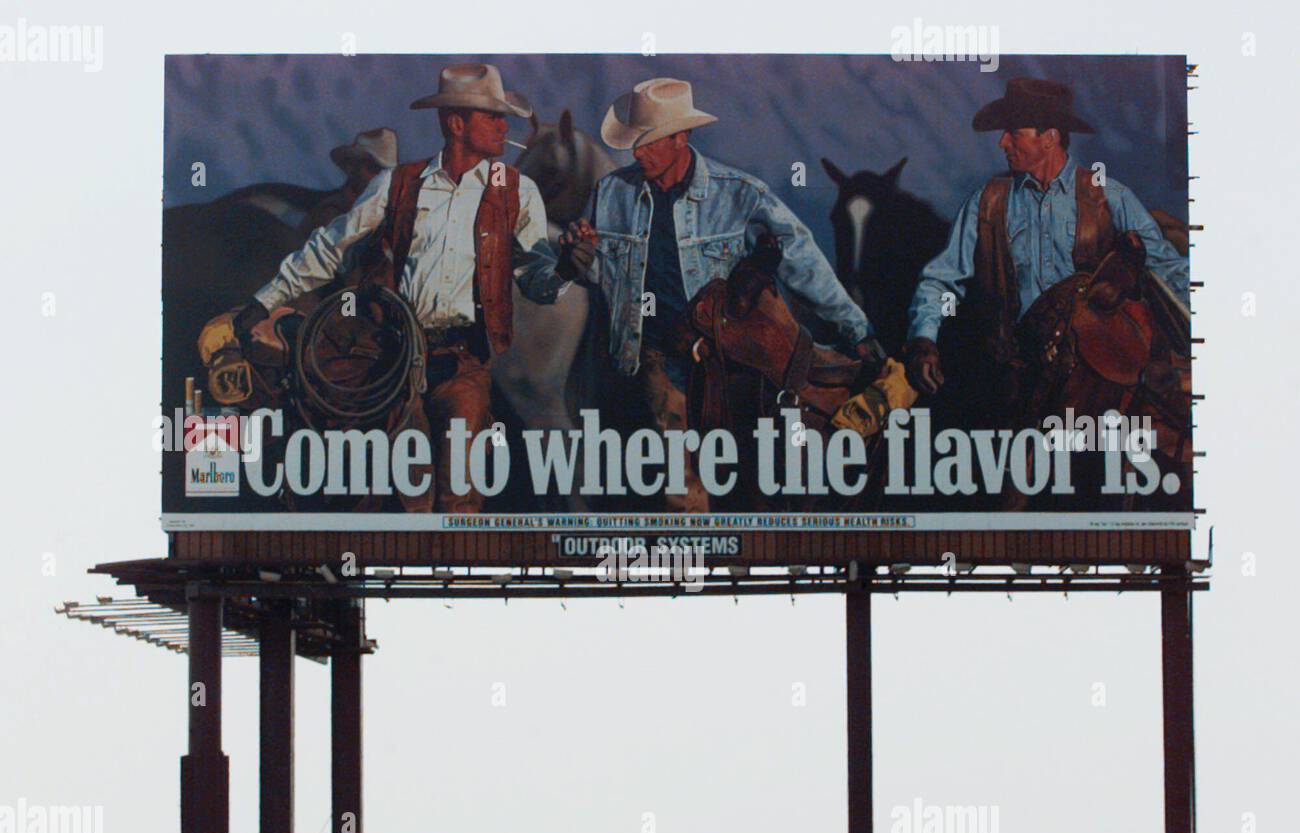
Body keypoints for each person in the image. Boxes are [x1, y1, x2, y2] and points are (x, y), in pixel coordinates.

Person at [233, 63, 586, 513]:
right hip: (396, 360)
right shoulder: (398, 185)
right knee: (406, 497)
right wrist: (265, 300)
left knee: (460, 498)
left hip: (465, 363)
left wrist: (566, 271)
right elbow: (330, 247)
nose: (504, 127)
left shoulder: (518, 192)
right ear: (456, 124)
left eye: (504, 117)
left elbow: (535, 280)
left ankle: (456, 582)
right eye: (492, 117)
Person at [562, 77, 881, 511]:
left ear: (681, 138)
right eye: (636, 141)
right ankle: (695, 565)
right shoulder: (611, 194)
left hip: (732, 367)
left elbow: (803, 262)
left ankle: (733, 561)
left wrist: (854, 327)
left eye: (649, 141)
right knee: (683, 486)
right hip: (656, 362)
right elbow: (601, 275)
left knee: (746, 481)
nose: (637, 152)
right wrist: (578, 260)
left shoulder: (741, 195)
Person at [903, 76, 1189, 399]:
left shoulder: (1110, 197)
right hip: (1010, 387)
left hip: (1096, 389)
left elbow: (1167, 269)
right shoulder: (987, 202)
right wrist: (924, 339)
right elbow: (942, 281)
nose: (1003, 142)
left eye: (1014, 132)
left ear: (1050, 138)